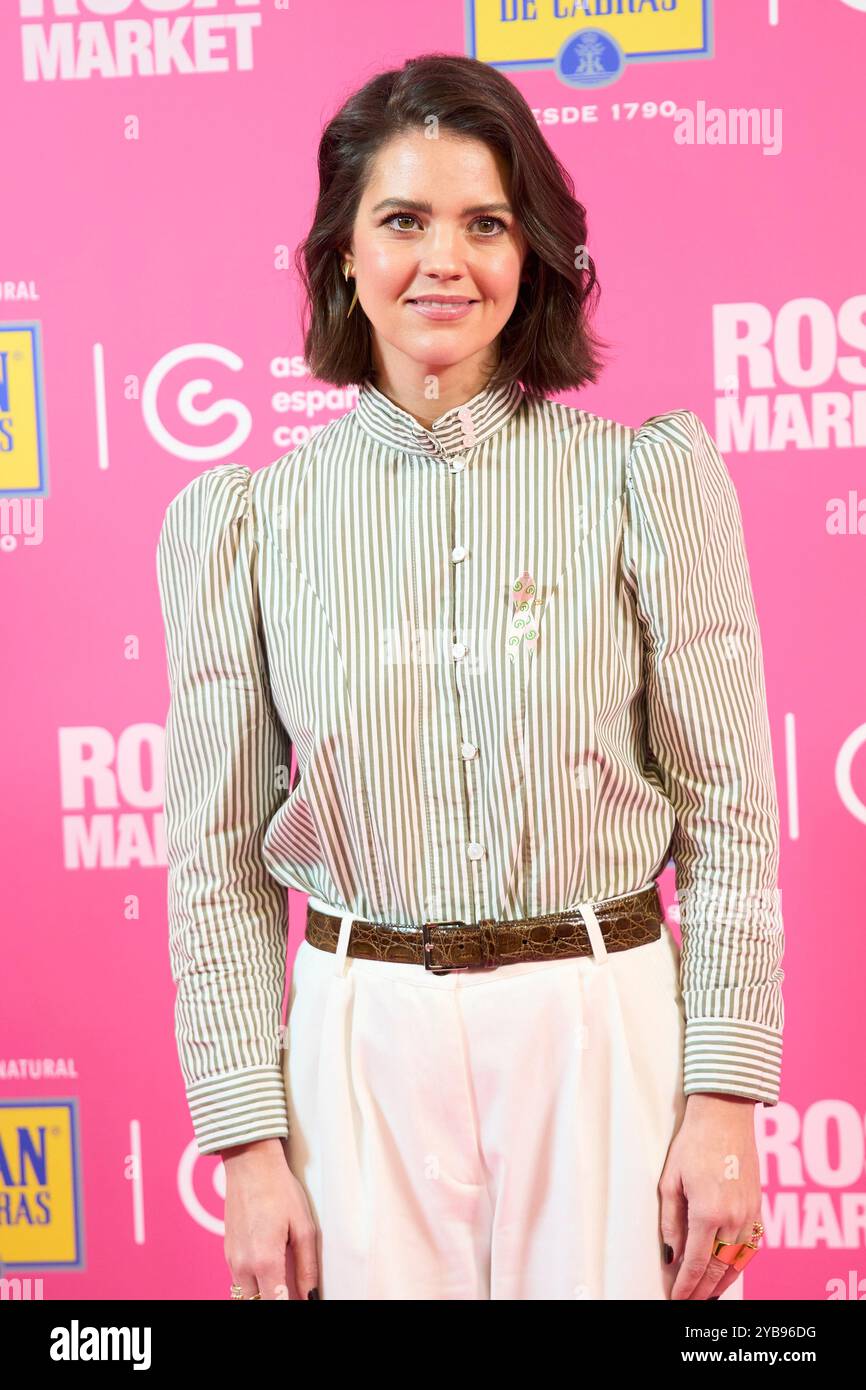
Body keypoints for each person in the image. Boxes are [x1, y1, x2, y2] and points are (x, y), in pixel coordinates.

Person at [156, 53, 784, 1301]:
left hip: (598, 1027)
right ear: (341, 253)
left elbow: (730, 822)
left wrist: (721, 1098)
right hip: (357, 1039)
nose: (443, 261)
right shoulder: (245, 523)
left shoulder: (640, 483)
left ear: (531, 251)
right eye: (401, 220)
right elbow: (213, 858)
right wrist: (245, 1143)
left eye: (483, 222)